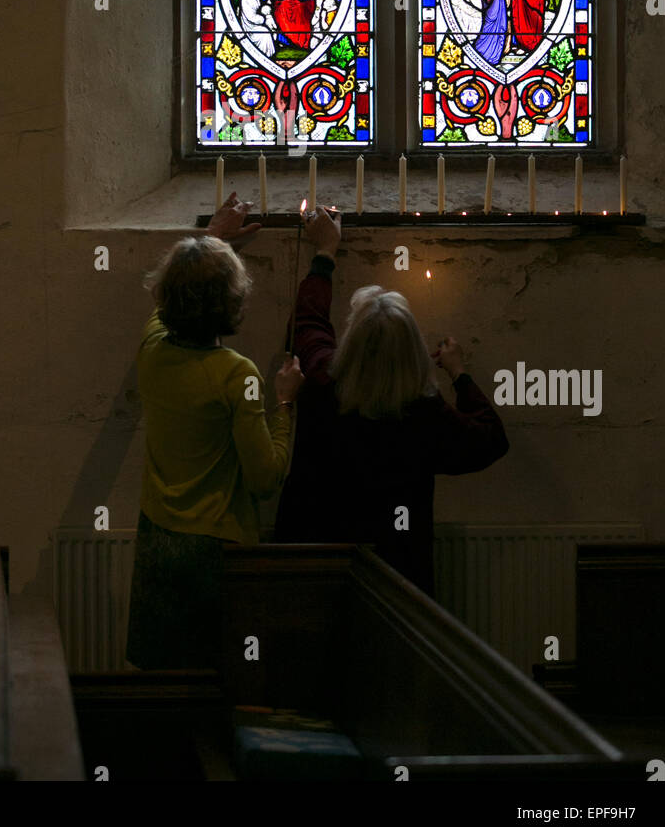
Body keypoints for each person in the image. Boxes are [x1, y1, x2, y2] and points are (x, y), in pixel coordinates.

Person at [274, 207, 509, 596]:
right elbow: (490, 438)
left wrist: (326, 253)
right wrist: (459, 374)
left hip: (314, 559)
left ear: (351, 340)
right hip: (396, 571)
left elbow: (309, 321)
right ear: (413, 350)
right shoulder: (424, 414)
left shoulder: (321, 381)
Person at [126, 196, 303, 669]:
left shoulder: (152, 348)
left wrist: (211, 238)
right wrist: (284, 403)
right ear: (233, 302)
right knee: (217, 676)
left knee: (162, 678)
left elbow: (168, 300)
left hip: (158, 537)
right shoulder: (236, 374)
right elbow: (265, 479)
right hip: (215, 548)